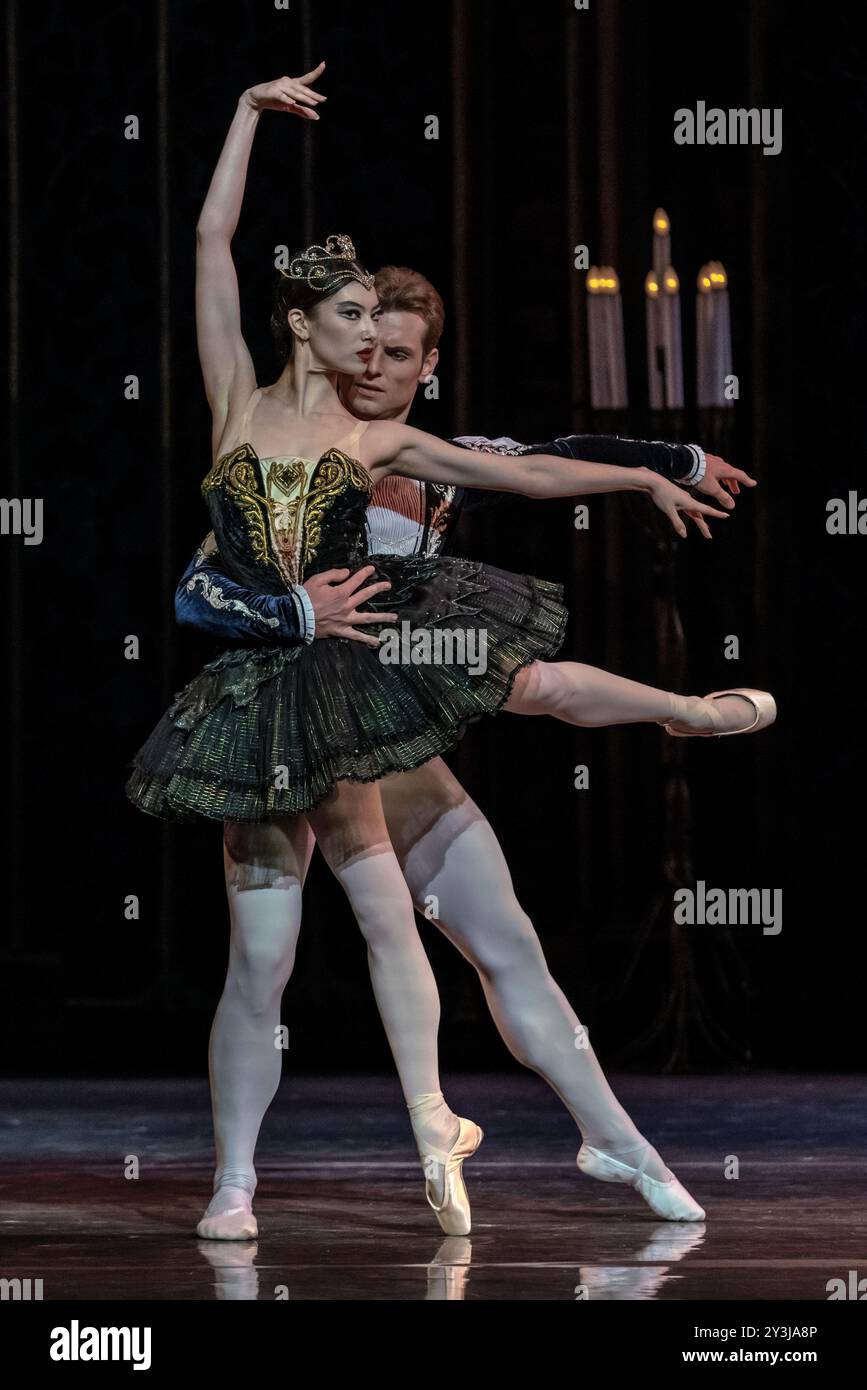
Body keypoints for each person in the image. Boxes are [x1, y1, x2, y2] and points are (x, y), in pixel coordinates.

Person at [125, 71, 775, 1240]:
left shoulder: (400, 434)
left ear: (424, 363)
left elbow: (534, 459)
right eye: (357, 325)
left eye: (393, 337)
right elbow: (212, 242)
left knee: (494, 919)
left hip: (388, 712)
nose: (372, 347)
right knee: (283, 948)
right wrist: (241, 112)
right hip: (284, 707)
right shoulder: (251, 405)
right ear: (308, 326)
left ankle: (600, 1134)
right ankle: (281, 1169)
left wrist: (652, 468)